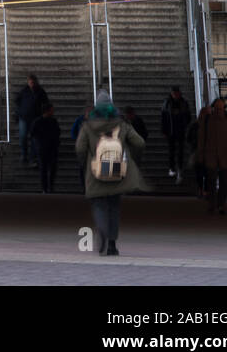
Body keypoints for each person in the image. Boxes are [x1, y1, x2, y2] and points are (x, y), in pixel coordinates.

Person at [75, 89, 145, 256]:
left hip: (95, 172)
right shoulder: (122, 125)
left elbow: (80, 148)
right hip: (116, 170)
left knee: (99, 205)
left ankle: (102, 233)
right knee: (114, 207)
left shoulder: (87, 126)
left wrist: (85, 163)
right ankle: (113, 244)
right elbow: (140, 142)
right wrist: (131, 158)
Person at [197, 95, 227, 215]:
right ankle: (212, 204)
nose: (219, 111)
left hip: (225, 155)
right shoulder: (206, 121)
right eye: (217, 108)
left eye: (221, 108)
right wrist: (201, 154)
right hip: (211, 155)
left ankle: (221, 204)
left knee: (224, 181)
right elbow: (201, 138)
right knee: (211, 181)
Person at [15, 74, 50, 166]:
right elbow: (17, 101)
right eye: (30, 82)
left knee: (34, 139)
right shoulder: (24, 91)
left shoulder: (40, 91)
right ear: (28, 82)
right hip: (24, 118)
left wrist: (43, 115)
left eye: (33, 82)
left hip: (36, 118)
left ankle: (32, 158)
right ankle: (24, 154)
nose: (32, 84)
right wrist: (19, 113)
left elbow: (46, 103)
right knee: (23, 137)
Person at [160, 86, 192, 180]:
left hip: (180, 130)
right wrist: (164, 130)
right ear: (171, 94)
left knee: (180, 151)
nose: (175, 95)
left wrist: (185, 124)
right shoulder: (167, 103)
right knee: (172, 150)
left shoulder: (183, 103)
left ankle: (179, 169)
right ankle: (172, 168)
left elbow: (188, 115)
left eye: (176, 93)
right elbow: (163, 117)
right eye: (174, 94)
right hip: (171, 131)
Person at [30, 103, 61, 193]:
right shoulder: (51, 121)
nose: (53, 111)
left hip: (45, 148)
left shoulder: (38, 121)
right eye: (51, 110)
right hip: (46, 148)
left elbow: (32, 134)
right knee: (48, 169)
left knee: (46, 169)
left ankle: (46, 188)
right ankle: (48, 187)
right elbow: (58, 132)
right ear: (48, 110)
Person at [71, 102, 92, 187]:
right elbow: (73, 132)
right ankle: (84, 186)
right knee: (82, 167)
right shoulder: (80, 120)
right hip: (83, 148)